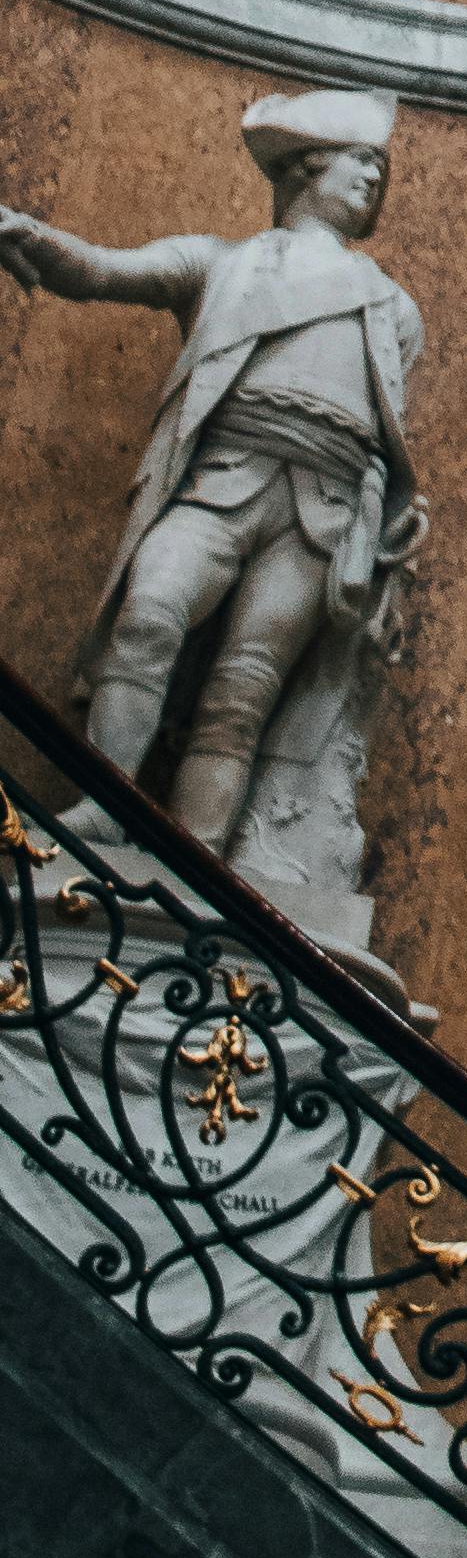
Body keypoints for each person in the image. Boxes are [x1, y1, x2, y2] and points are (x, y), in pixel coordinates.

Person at [0, 83, 423, 942]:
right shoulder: (223, 264)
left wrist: (388, 526)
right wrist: (29, 236)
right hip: (225, 477)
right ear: (307, 169)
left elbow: (387, 436)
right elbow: (102, 270)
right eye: (360, 166)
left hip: (322, 515)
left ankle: (196, 859)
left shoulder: (392, 306)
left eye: (380, 172)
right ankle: (109, 804)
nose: (373, 184)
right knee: (150, 612)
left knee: (245, 689)